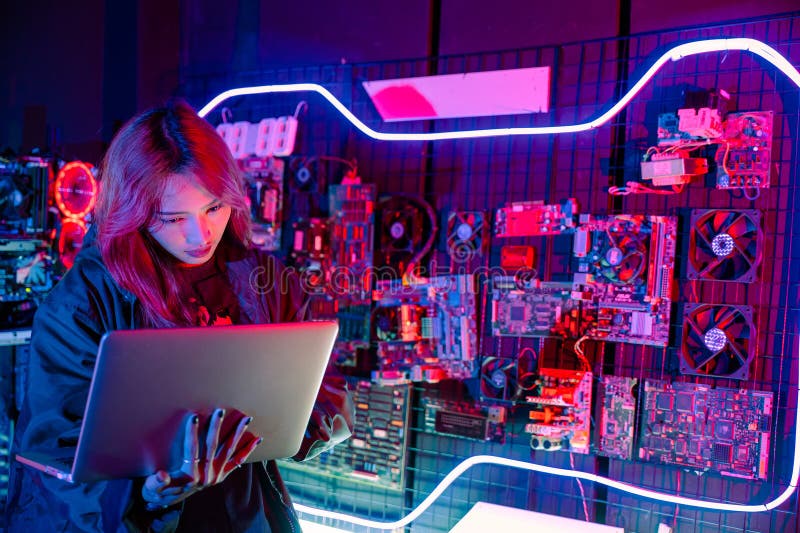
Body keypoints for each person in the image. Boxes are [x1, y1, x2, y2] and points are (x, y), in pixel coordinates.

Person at [5, 99, 355, 532]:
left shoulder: (259, 280)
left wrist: (309, 417)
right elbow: (55, 465)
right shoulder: (81, 305)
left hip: (243, 517)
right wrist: (147, 495)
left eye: (214, 208)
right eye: (173, 218)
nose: (200, 235)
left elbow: (327, 392)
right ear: (131, 212)